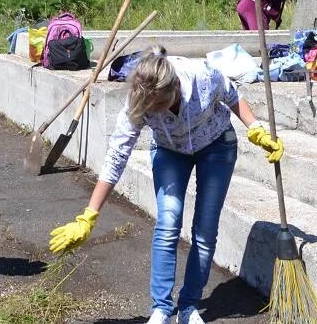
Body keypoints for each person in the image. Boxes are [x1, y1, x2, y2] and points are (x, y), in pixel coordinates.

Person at [49, 47, 286, 324]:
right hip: (170, 150)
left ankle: (188, 307)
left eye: (160, 105)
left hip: (217, 145)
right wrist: (89, 215)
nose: (156, 112)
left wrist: (256, 127)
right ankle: (161, 309)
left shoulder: (203, 77)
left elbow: (232, 95)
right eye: (150, 109)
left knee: (205, 230)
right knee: (168, 222)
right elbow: (117, 155)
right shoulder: (139, 98)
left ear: (174, 88)